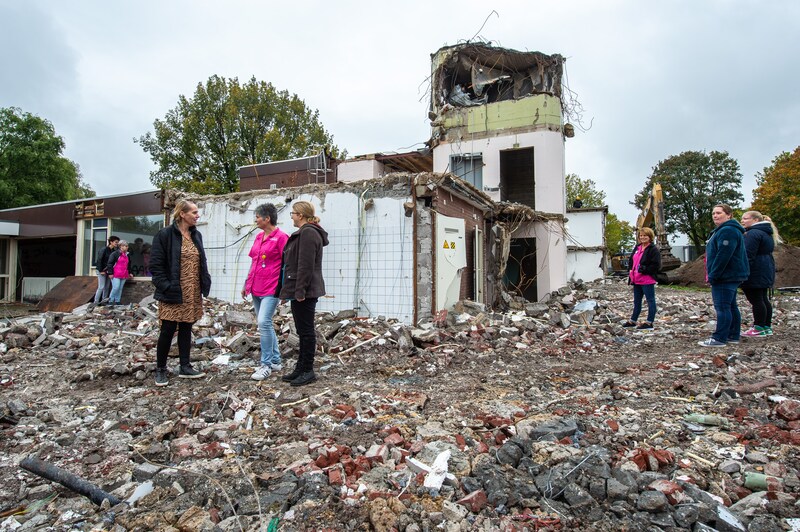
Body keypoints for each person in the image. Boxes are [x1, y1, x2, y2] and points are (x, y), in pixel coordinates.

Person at [149, 200, 212, 386]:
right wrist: (166, 286)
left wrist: (204, 282)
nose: (197, 215)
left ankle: (185, 366)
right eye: (193, 212)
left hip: (192, 291)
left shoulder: (196, 235)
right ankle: (161, 369)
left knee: (186, 327)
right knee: (168, 329)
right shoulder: (165, 235)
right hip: (173, 290)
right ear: (182, 214)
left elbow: (202, 261)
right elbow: (155, 265)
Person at [277, 201, 328, 387]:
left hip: (305, 291)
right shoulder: (306, 232)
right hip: (301, 289)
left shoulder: (308, 232)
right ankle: (300, 368)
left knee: (306, 331)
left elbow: (305, 265)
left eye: (292, 213)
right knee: (302, 330)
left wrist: (300, 291)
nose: (291, 216)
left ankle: (308, 370)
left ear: (300, 215)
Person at [241, 203, 289, 381]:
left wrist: (286, 289)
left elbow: (287, 264)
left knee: (263, 322)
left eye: (257, 217)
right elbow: (254, 261)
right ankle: (275, 360)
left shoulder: (282, 237)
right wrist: (246, 283)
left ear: (267, 218)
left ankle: (266, 364)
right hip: (256, 287)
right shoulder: (258, 237)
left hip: (272, 287)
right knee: (265, 324)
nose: (255, 220)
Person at [698, 204, 749, 347]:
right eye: (713, 213)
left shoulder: (727, 231)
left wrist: (714, 274)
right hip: (731, 275)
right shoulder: (726, 230)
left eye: (719, 213)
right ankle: (732, 335)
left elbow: (723, 255)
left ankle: (719, 338)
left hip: (725, 276)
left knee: (722, 307)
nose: (715, 215)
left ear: (729, 215)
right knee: (731, 306)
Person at [740, 210, 776, 337]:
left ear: (755, 220)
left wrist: (742, 271)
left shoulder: (752, 234)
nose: (742, 221)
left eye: (745, 218)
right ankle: (766, 326)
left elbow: (748, 254)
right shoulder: (767, 233)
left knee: (756, 299)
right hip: (766, 268)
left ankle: (758, 327)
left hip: (755, 270)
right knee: (763, 298)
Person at [622, 227, 661, 330]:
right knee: (637, 301)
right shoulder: (637, 247)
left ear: (650, 237)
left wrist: (645, 269)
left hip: (647, 279)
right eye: (641, 236)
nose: (643, 237)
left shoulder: (653, 249)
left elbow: (656, 265)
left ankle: (649, 322)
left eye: (645, 236)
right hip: (636, 279)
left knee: (650, 300)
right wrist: (630, 270)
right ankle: (633, 320)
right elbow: (632, 261)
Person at [94, 236, 119, 305]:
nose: (117, 244)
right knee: (101, 286)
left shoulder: (114, 251)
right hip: (101, 270)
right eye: (115, 242)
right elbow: (99, 260)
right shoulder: (104, 249)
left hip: (108, 271)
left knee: (107, 287)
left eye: (117, 242)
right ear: (111, 242)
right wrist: (101, 270)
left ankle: (104, 301)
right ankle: (95, 302)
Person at [107, 240, 132, 305]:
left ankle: (117, 301)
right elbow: (110, 263)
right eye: (125, 246)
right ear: (120, 246)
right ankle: (110, 300)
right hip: (115, 274)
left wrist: (130, 272)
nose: (126, 247)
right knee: (116, 287)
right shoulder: (115, 254)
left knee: (120, 288)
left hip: (124, 274)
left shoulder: (127, 255)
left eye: (127, 246)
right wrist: (110, 273)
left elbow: (129, 264)